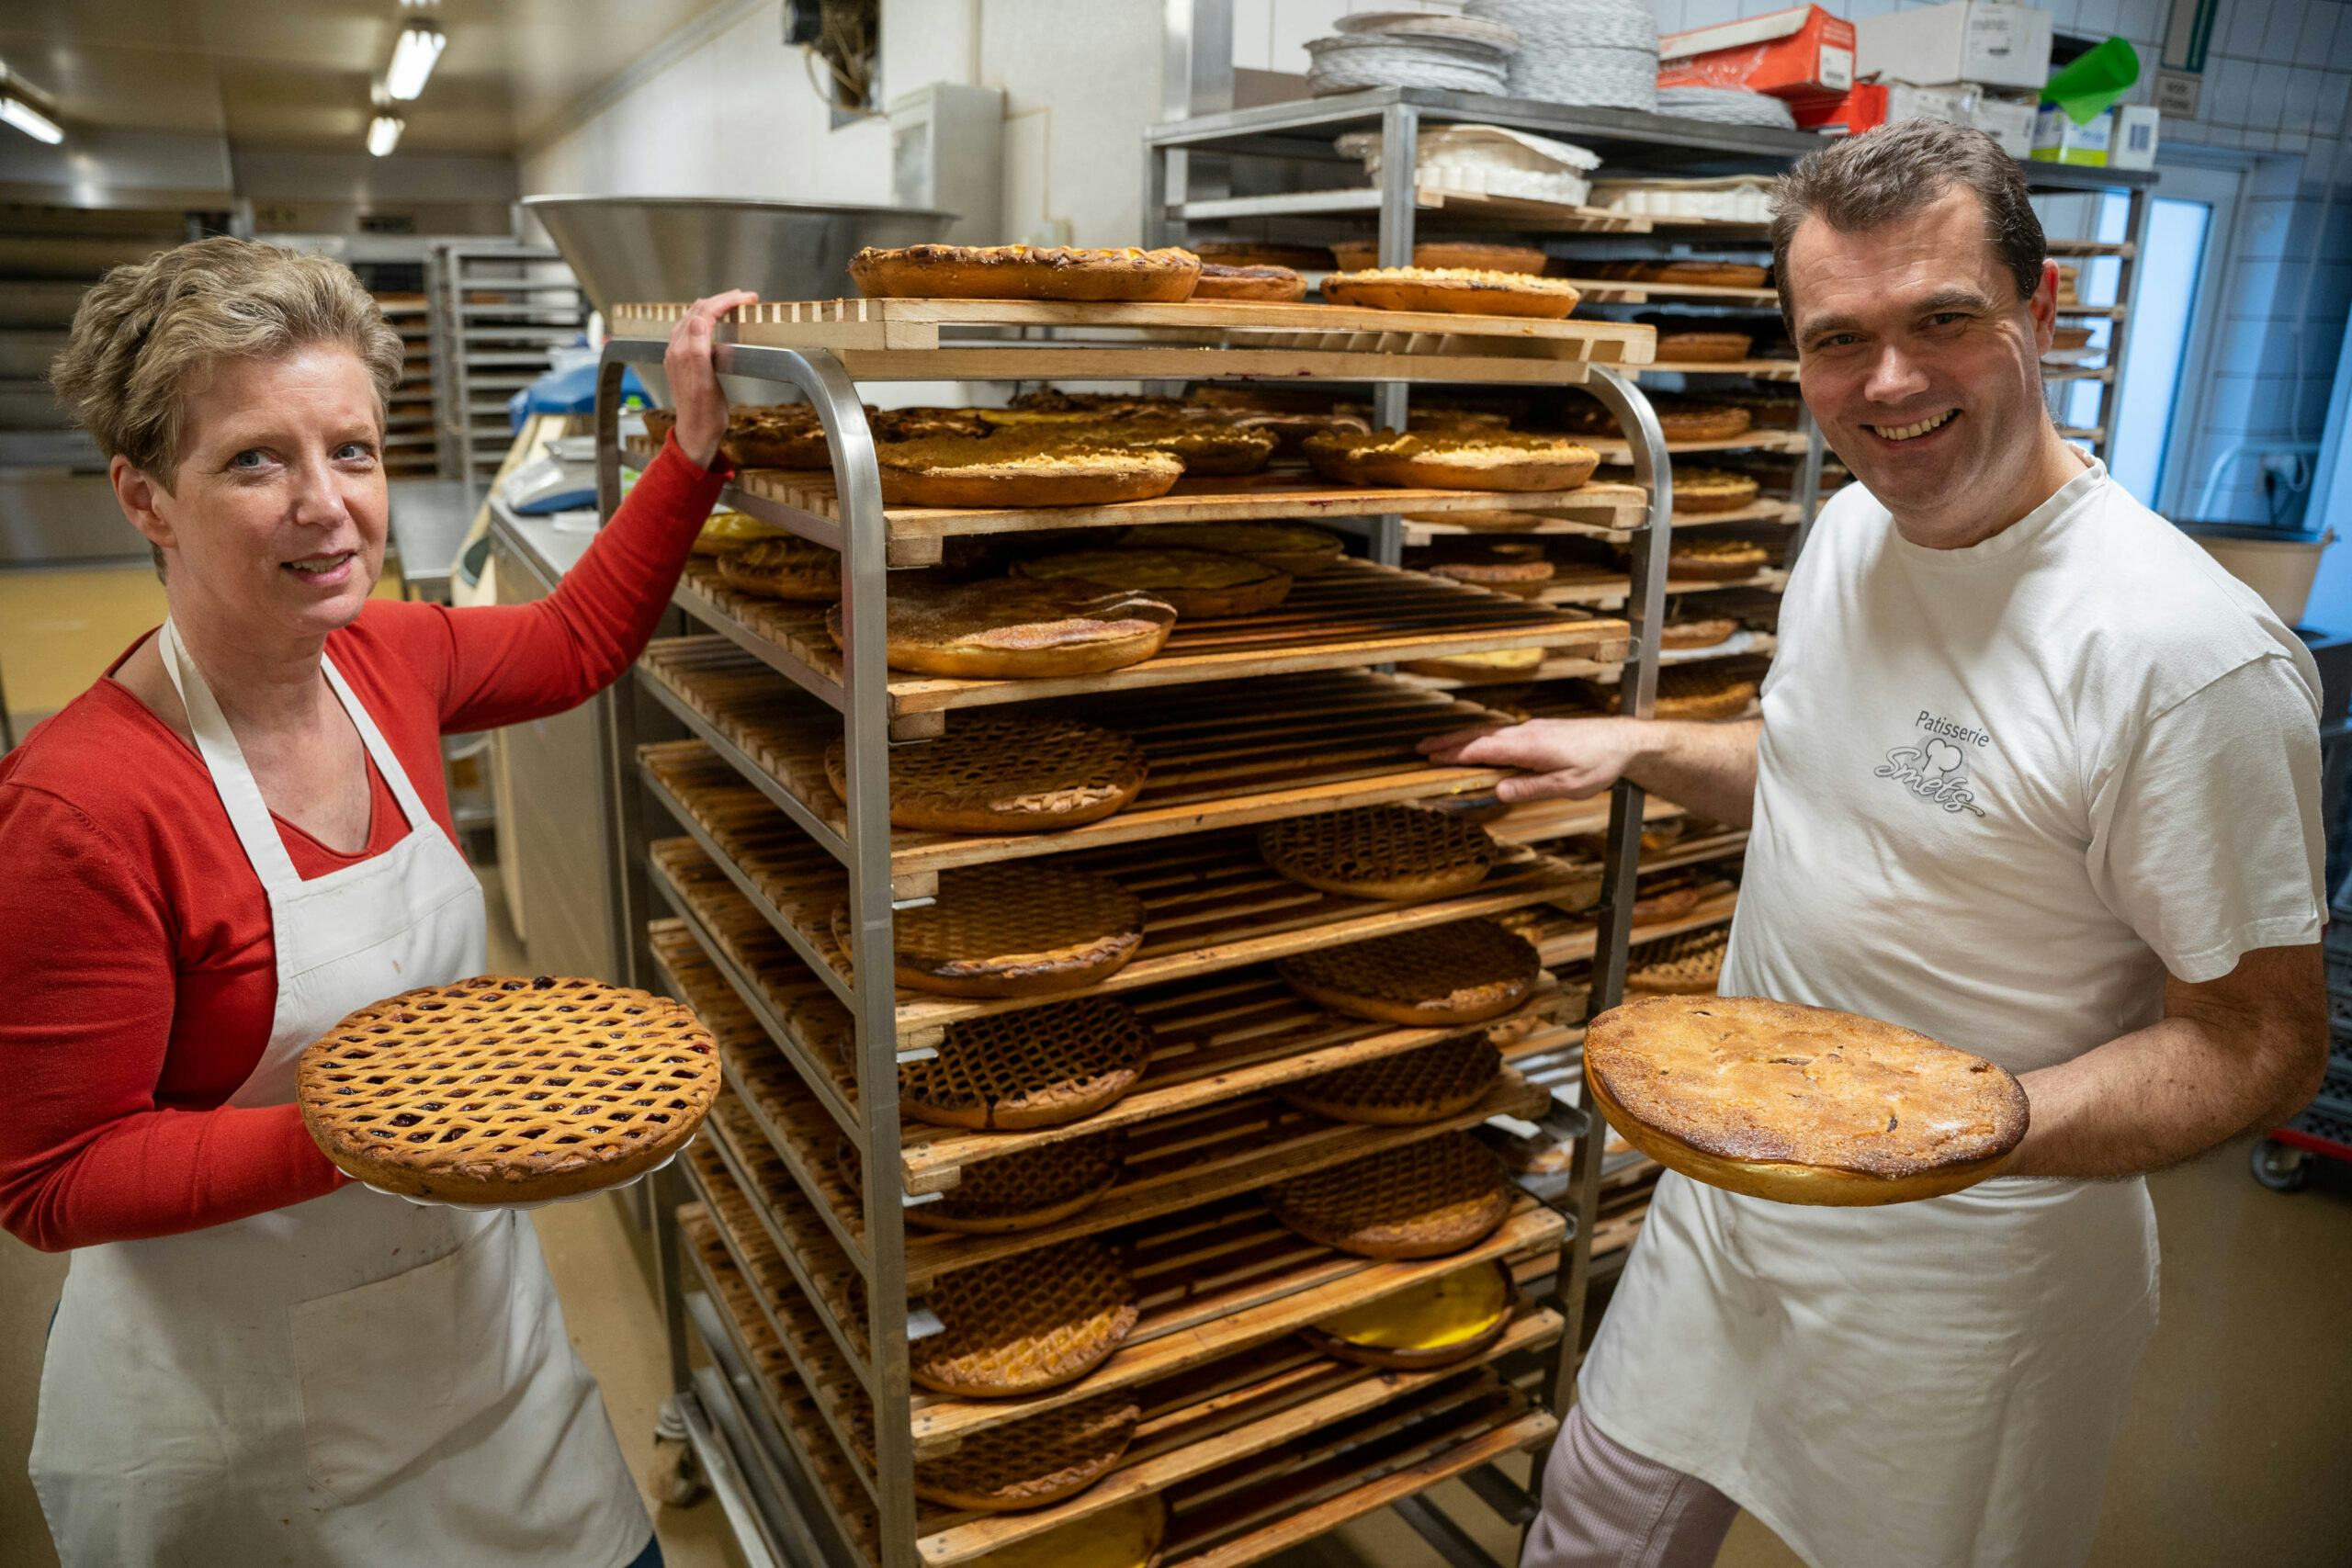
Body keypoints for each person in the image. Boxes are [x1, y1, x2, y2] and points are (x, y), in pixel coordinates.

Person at [1422, 121, 2331, 1568]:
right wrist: (1641, 747)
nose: (1889, 383)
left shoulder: (2183, 659)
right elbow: (1837, 776)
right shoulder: (1851, 534)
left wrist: (1969, 1130)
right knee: (1592, 1528)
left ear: (2043, 311)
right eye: (1839, 339)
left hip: (1967, 1271)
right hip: (1731, 1205)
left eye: (1943, 320)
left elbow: (2256, 1039)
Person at [0, 235, 755, 1567]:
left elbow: (576, 641)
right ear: (145, 498)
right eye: (255, 460)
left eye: (351, 450)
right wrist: (389, 1130)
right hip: (248, 1420)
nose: (328, 505)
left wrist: (691, 451)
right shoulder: (83, 808)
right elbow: (53, 1176)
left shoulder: (382, 659)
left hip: (481, 1342)